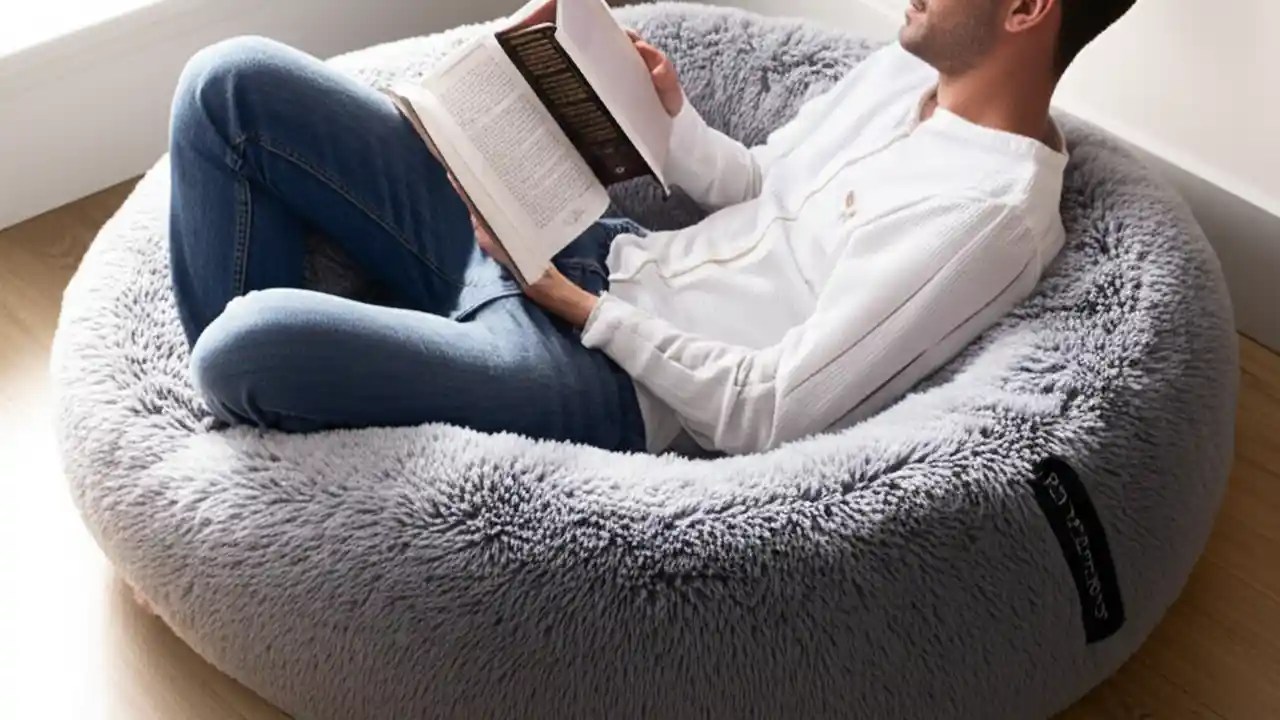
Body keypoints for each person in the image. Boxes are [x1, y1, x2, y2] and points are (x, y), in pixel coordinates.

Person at [169, 0, 1135, 456]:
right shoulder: (907, 73)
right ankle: (259, 436)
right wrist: (668, 122)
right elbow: (765, 185)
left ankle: (250, 432)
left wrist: (580, 310)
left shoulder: (991, 218)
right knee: (229, 82)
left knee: (244, 349)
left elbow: (777, 407)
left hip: (602, 383)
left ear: (1026, 9)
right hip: (585, 257)